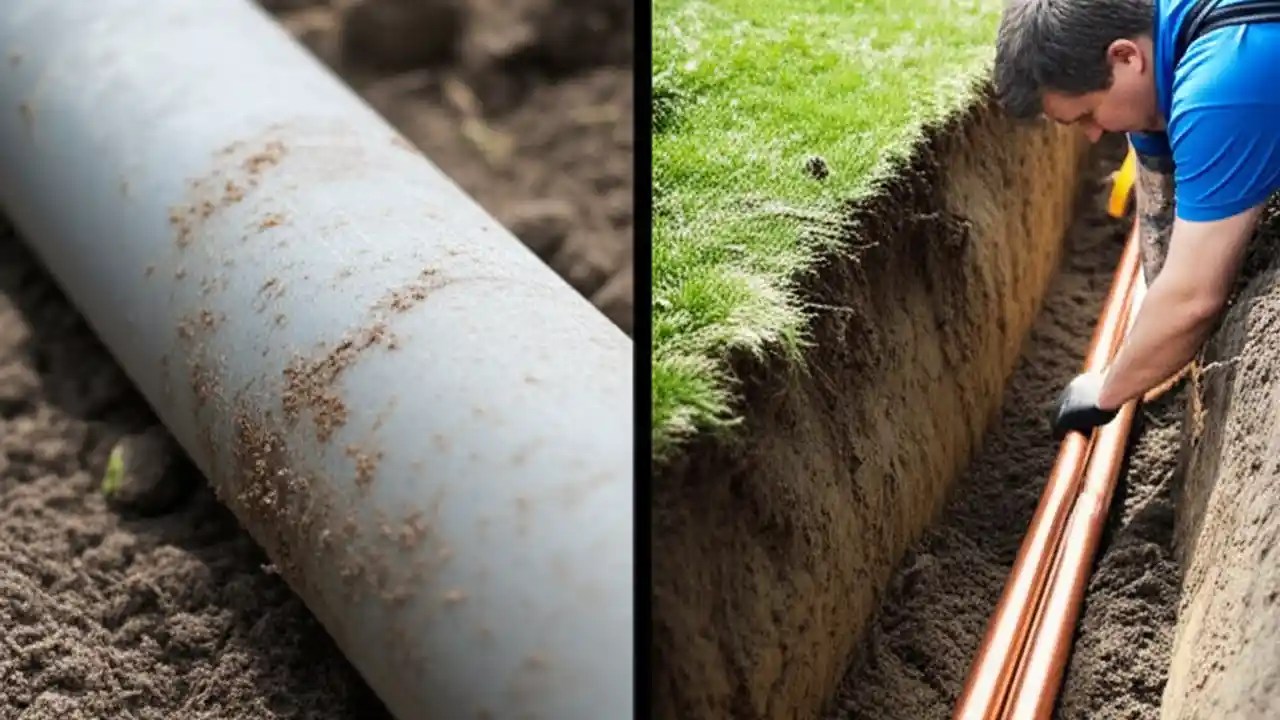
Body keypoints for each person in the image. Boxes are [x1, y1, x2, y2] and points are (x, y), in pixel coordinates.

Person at [992, 0, 1280, 439]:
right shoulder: (1167, 24)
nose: (1092, 133)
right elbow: (1162, 230)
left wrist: (1106, 391)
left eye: (1088, 114)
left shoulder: (1219, 88)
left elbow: (1193, 298)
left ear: (1126, 56)